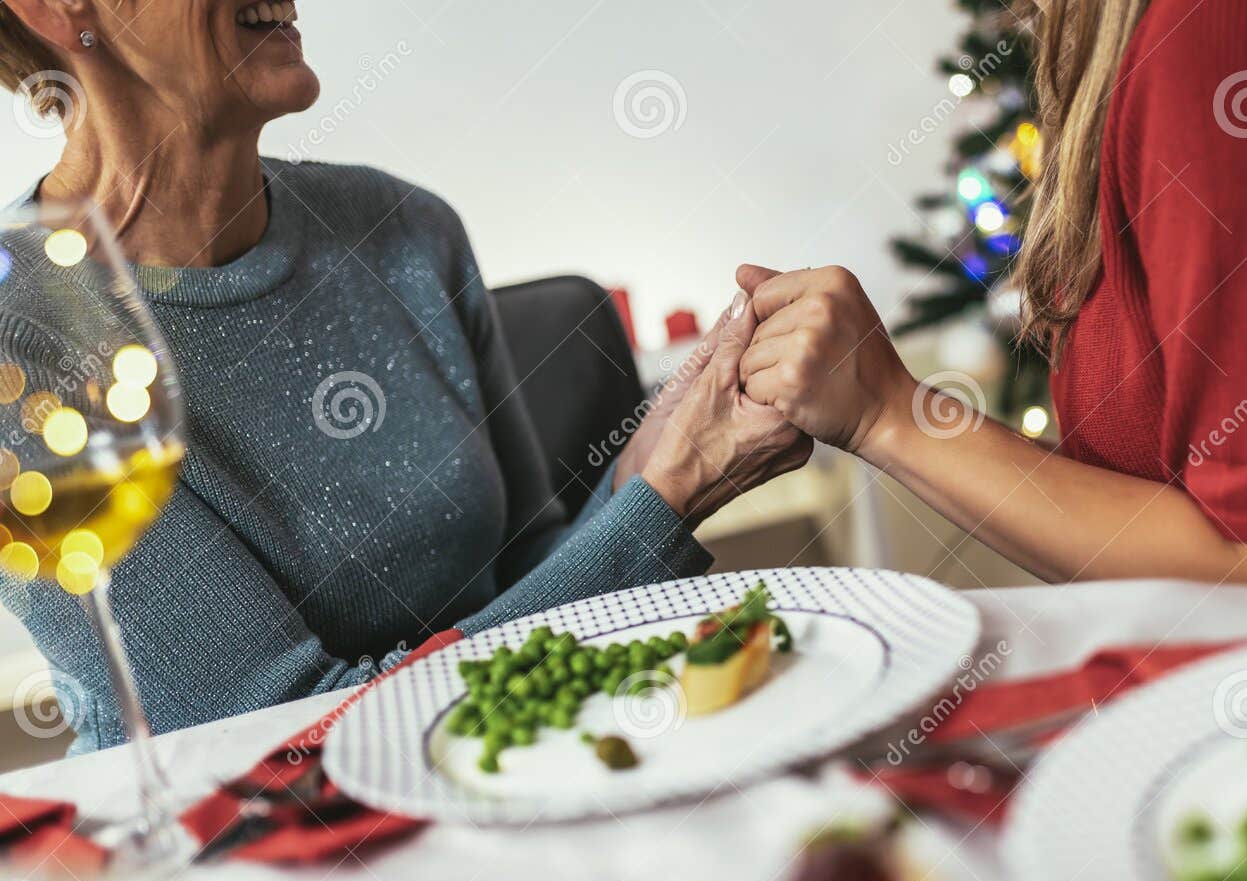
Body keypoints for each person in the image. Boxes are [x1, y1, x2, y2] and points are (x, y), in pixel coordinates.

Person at [0, 0, 809, 752]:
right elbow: (292, 739)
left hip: (518, 769)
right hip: (254, 867)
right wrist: (661, 501)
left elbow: (531, 563)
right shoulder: (20, 344)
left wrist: (645, 470)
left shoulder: (406, 229)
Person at [736, 0, 1247, 594]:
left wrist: (888, 413)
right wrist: (890, 414)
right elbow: (1178, 502)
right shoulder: (1142, 46)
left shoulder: (1217, 37)